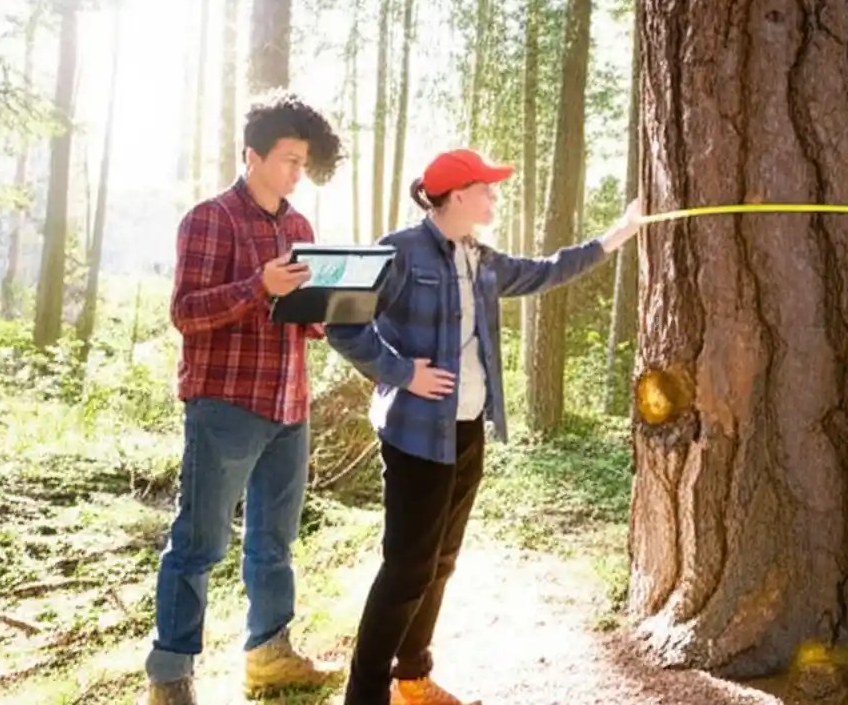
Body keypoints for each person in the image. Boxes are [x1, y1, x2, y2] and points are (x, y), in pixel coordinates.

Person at [326, 148, 642, 705]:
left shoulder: (481, 258)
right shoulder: (397, 250)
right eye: (486, 188)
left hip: (467, 430)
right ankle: (365, 697)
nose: (495, 196)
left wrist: (618, 235)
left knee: (441, 561)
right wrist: (403, 373)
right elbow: (342, 322)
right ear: (456, 195)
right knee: (406, 569)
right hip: (414, 435)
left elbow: (547, 271)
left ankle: (412, 677)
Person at [142, 91, 344, 705]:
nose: (297, 172)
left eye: (303, 162)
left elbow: (304, 321)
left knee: (274, 543)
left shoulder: (300, 228)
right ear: (252, 156)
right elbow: (186, 312)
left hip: (290, 407)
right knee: (199, 543)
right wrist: (260, 284)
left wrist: (332, 304)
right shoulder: (210, 219)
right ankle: (170, 676)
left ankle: (269, 655)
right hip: (225, 407)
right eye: (288, 160)